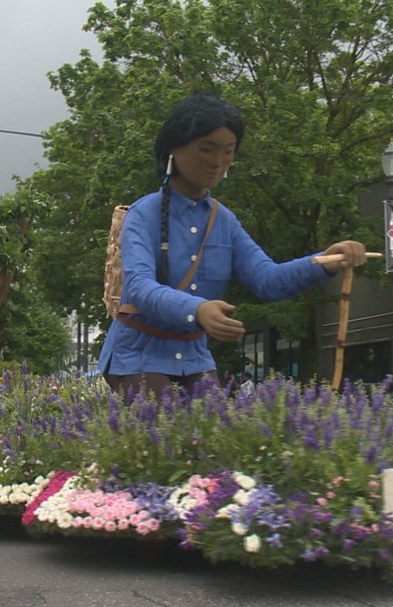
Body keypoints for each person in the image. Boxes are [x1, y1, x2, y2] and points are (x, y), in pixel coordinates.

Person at [97, 93, 368, 398]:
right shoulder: (142, 213)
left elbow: (268, 279)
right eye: (206, 149)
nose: (217, 161)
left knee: (217, 430)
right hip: (136, 353)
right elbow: (140, 288)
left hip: (193, 356)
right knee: (163, 420)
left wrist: (324, 262)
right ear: (174, 148)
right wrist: (197, 310)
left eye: (228, 151)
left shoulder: (224, 221)